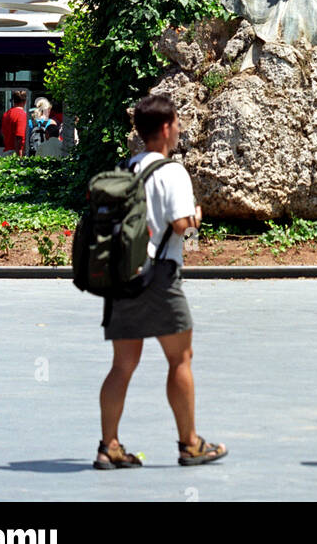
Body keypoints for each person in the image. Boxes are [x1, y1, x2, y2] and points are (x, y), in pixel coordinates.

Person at [95, 94, 226, 471]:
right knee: (180, 359)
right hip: (159, 276)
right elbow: (182, 225)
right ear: (166, 128)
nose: (180, 128)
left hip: (122, 275)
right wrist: (198, 216)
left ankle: (110, 446)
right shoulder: (172, 172)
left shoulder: (124, 167)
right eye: (178, 123)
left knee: (122, 365)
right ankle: (190, 444)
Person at [1, 90, 28, 158]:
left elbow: (3, 133)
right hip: (16, 153)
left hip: (7, 151)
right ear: (25, 102)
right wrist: (19, 156)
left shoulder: (6, 114)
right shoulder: (22, 115)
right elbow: (19, 137)